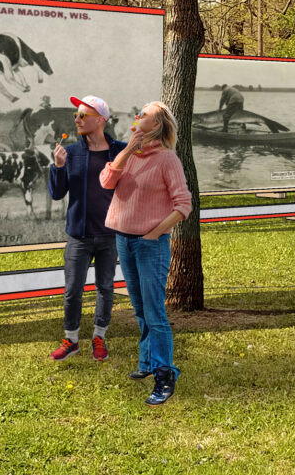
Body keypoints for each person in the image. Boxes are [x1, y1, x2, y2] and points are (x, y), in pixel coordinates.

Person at [100, 101, 193, 406]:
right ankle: (146, 362)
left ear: (156, 126)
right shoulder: (129, 155)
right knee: (139, 308)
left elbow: (183, 205)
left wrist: (154, 233)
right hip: (124, 242)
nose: (137, 119)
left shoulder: (168, 160)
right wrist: (127, 150)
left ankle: (165, 375)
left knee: (155, 313)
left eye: (144, 117)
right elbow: (106, 181)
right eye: (137, 115)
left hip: (150, 245)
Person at [48, 95, 127, 362]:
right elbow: (57, 194)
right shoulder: (69, 153)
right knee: (72, 290)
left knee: (105, 287)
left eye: (83, 115)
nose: (77, 119)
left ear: (101, 119)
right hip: (78, 238)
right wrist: (58, 167)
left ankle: (99, 336)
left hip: (109, 235)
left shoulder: (119, 151)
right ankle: (71, 340)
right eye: (76, 115)